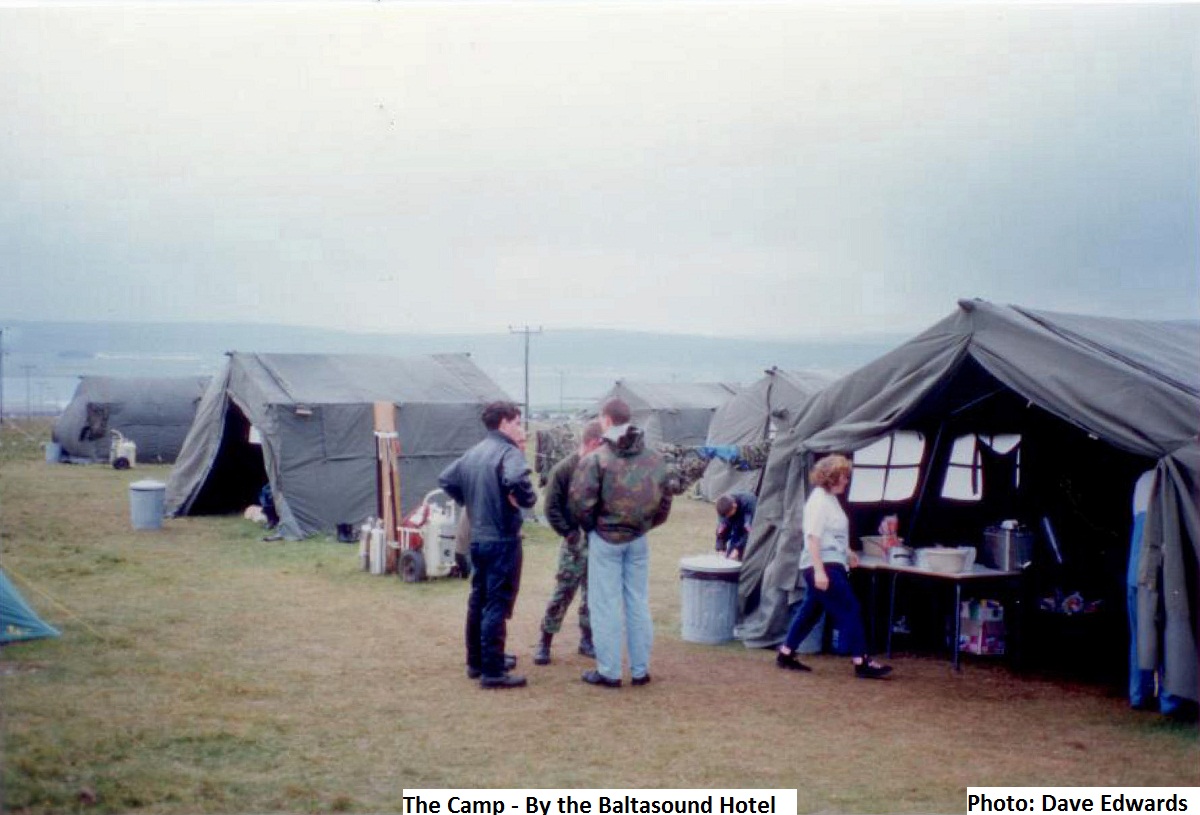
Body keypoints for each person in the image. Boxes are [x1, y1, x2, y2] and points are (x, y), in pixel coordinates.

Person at [569, 398, 672, 688]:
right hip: (638, 539)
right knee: (637, 602)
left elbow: (580, 502)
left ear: (605, 420)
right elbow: (665, 500)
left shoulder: (596, 459)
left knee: (605, 605)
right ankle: (640, 670)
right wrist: (645, 525)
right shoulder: (654, 458)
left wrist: (594, 528)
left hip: (606, 540)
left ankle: (609, 671)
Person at [438, 401, 537, 689]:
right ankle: (492, 671)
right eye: (518, 422)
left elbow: (447, 479)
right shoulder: (508, 452)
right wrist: (524, 500)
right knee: (496, 603)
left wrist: (470, 501)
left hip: (479, 540)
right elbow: (518, 478)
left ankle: (477, 662)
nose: (520, 428)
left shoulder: (473, 453)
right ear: (505, 423)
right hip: (502, 538)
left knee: (478, 599)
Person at [775, 454, 892, 679]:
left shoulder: (830, 499)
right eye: (844, 477)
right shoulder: (818, 501)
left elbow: (833, 533)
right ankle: (862, 661)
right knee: (851, 608)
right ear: (832, 477)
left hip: (832, 562)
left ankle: (786, 653)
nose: (846, 481)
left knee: (811, 610)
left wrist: (847, 553)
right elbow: (813, 537)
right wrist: (819, 570)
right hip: (823, 565)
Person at [533, 420, 604, 666]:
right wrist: (569, 533)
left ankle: (587, 640)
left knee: (592, 595)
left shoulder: (601, 468)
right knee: (563, 592)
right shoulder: (564, 470)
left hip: (597, 541)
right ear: (594, 443)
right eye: (602, 445)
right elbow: (550, 508)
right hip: (575, 543)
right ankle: (545, 641)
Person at [714, 491, 756, 561]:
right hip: (737, 525)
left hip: (750, 524)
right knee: (729, 558)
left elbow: (750, 532)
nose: (727, 516)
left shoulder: (749, 503)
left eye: (728, 514)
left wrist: (737, 549)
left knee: (744, 557)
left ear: (734, 505)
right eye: (725, 515)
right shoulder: (723, 508)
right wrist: (721, 548)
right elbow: (721, 529)